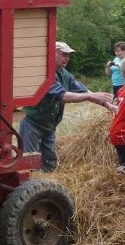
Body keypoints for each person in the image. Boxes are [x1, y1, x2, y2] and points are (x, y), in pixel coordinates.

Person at [19, 41, 116, 172]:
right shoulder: (44, 74)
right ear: (52, 53)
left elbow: (85, 92)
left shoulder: (65, 75)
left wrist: (109, 105)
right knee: (30, 162)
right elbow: (63, 95)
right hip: (33, 123)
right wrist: (90, 96)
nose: (67, 58)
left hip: (49, 126)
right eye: (64, 54)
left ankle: (48, 190)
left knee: (50, 162)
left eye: (68, 55)